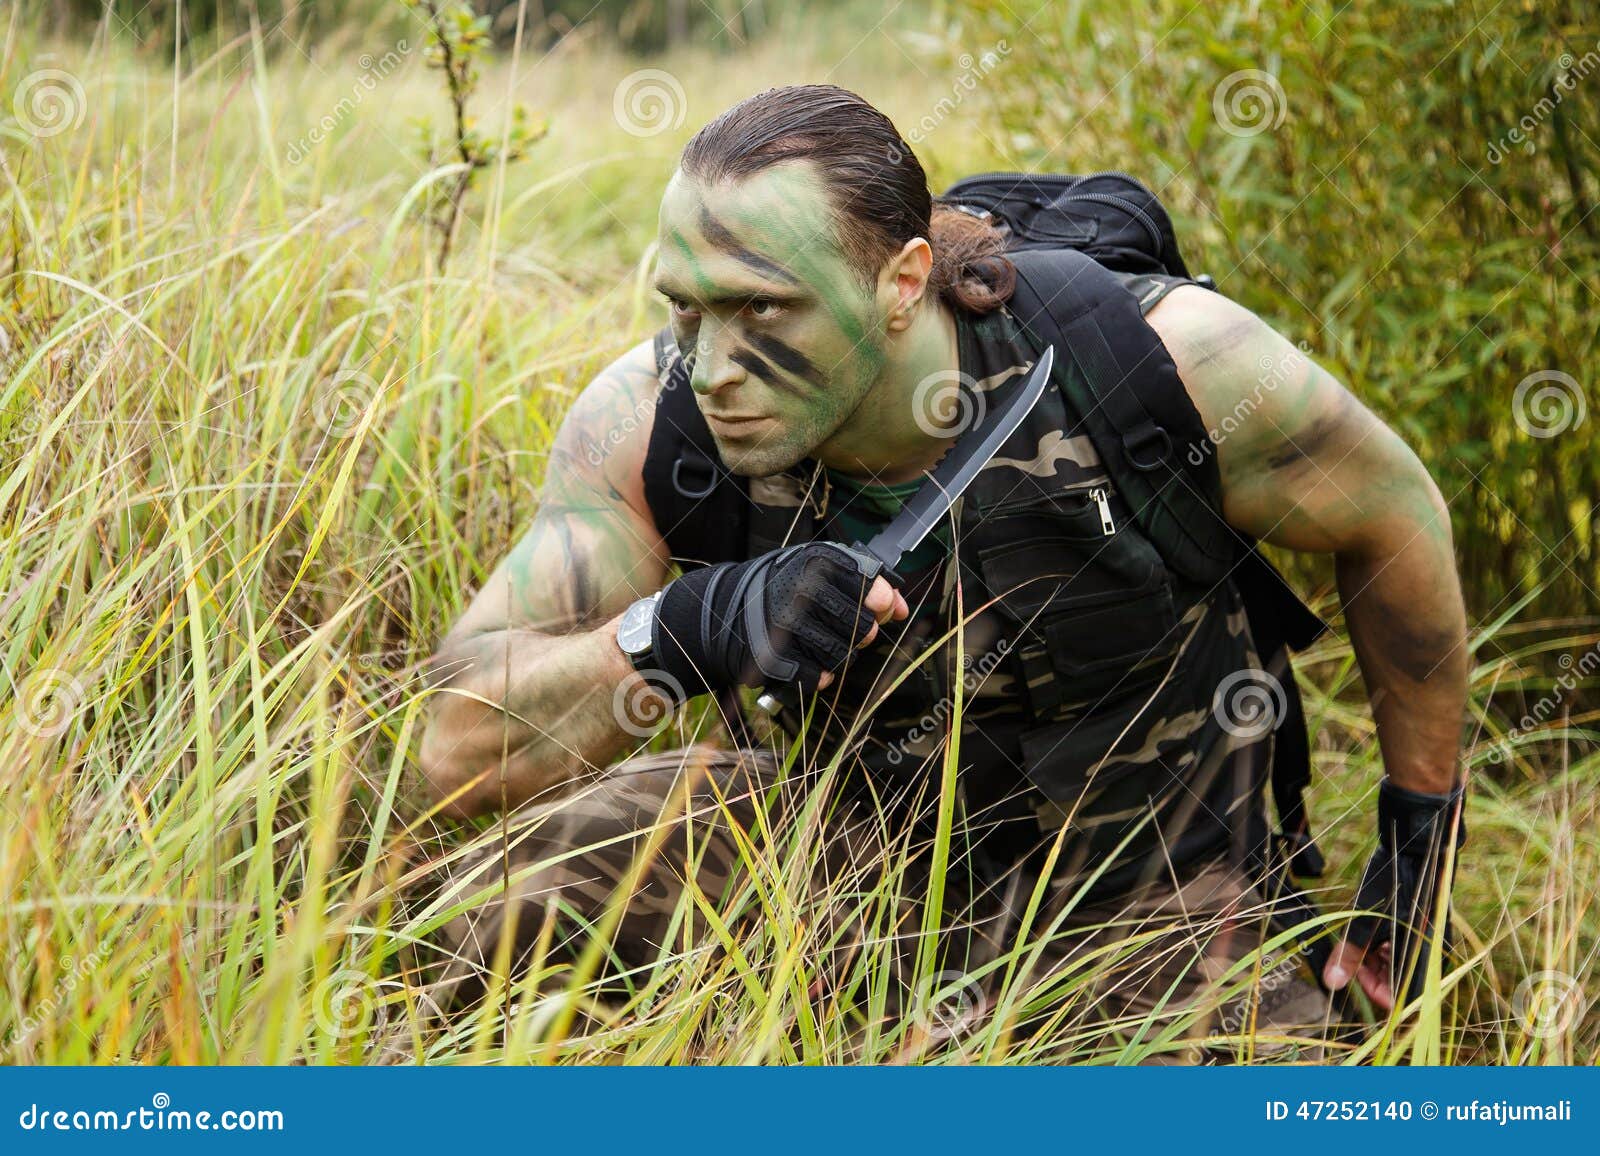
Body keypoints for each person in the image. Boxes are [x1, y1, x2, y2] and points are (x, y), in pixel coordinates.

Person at [416, 85, 1469, 1060]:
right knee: (539, 881)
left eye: (763, 310)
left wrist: (1415, 846)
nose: (715, 365)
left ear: (902, 281)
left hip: (1157, 895)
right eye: (686, 309)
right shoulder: (651, 420)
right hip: (859, 859)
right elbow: (456, 746)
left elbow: (1396, 514)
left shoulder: (1170, 362)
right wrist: (686, 627)